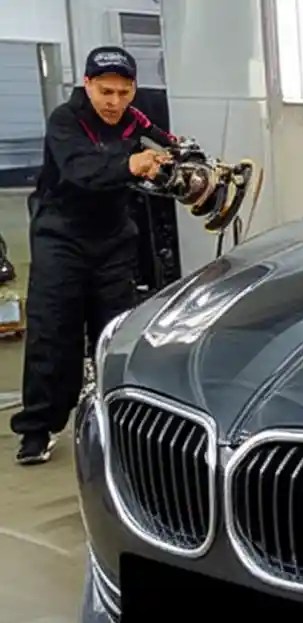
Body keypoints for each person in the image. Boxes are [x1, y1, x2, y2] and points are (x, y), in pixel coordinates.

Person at [12, 46, 179, 465]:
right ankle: (38, 428)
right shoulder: (65, 122)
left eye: (124, 92)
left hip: (112, 242)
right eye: (106, 91)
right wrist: (132, 165)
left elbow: (172, 146)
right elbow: (82, 171)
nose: (114, 102)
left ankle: (119, 422)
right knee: (54, 331)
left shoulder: (133, 120)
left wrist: (183, 165)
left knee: (115, 335)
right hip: (60, 238)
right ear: (87, 84)